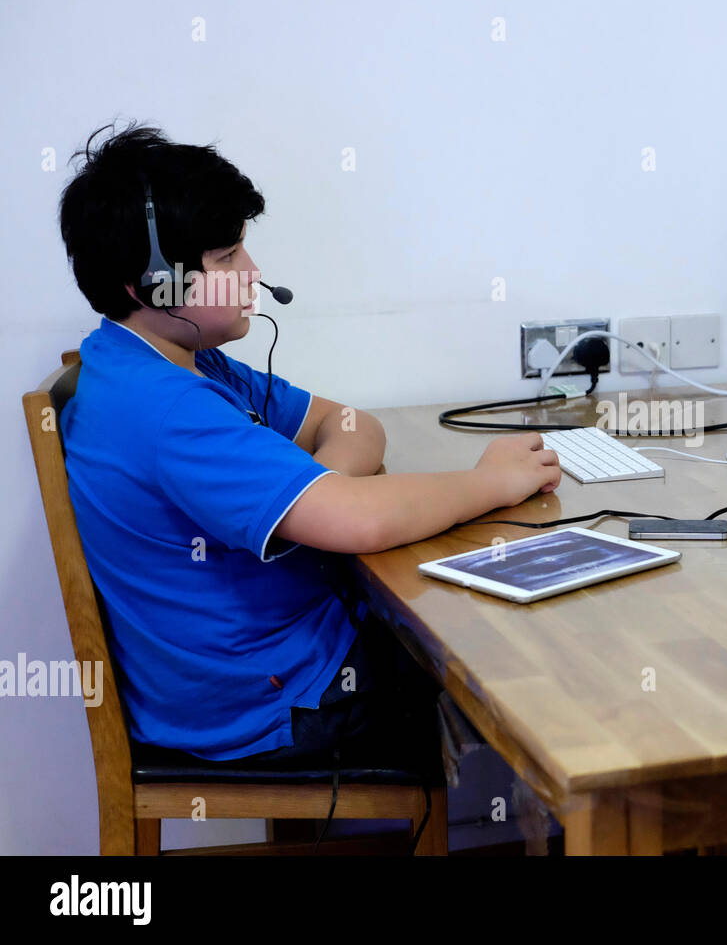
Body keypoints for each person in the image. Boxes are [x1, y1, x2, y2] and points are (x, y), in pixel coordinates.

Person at [56, 123, 562, 771]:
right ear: (153, 284)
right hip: (270, 705)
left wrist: (317, 493)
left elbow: (354, 426)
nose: (253, 273)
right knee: (521, 647)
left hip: (261, 669)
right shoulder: (166, 409)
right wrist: (491, 481)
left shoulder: (166, 361)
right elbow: (363, 519)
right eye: (228, 257)